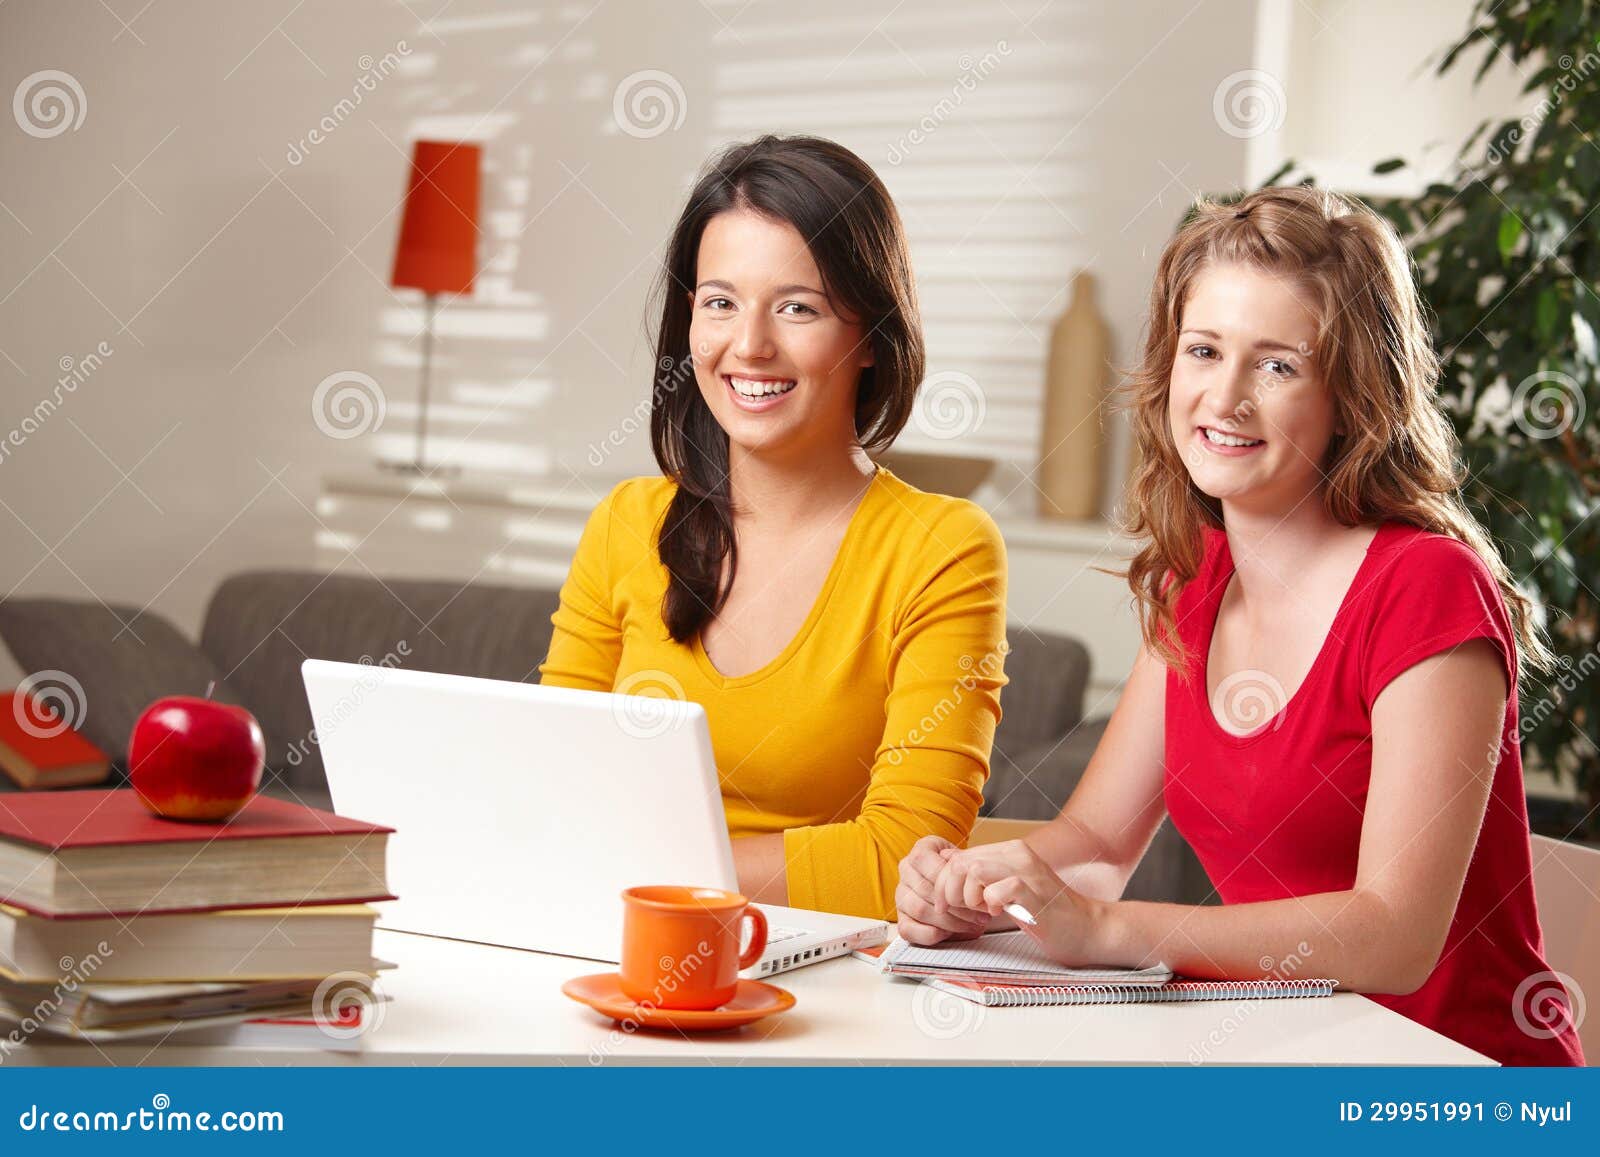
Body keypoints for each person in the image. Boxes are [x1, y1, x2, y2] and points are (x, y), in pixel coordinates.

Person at [898, 186, 1585, 1066]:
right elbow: (1098, 844)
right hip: (1278, 1057)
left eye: (1277, 365)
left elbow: (1395, 936)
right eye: (1203, 351)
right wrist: (973, 882)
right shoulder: (1197, 579)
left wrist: (1108, 926)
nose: (1224, 397)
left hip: (1456, 1084)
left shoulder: (1428, 588)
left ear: (1353, 393)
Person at [540, 135, 1007, 922]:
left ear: (868, 335)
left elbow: (900, 860)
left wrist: (640, 861)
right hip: (608, 944)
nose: (749, 346)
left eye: (798, 307)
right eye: (720, 301)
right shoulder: (626, 524)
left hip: (818, 984)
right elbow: (553, 787)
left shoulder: (943, 548)